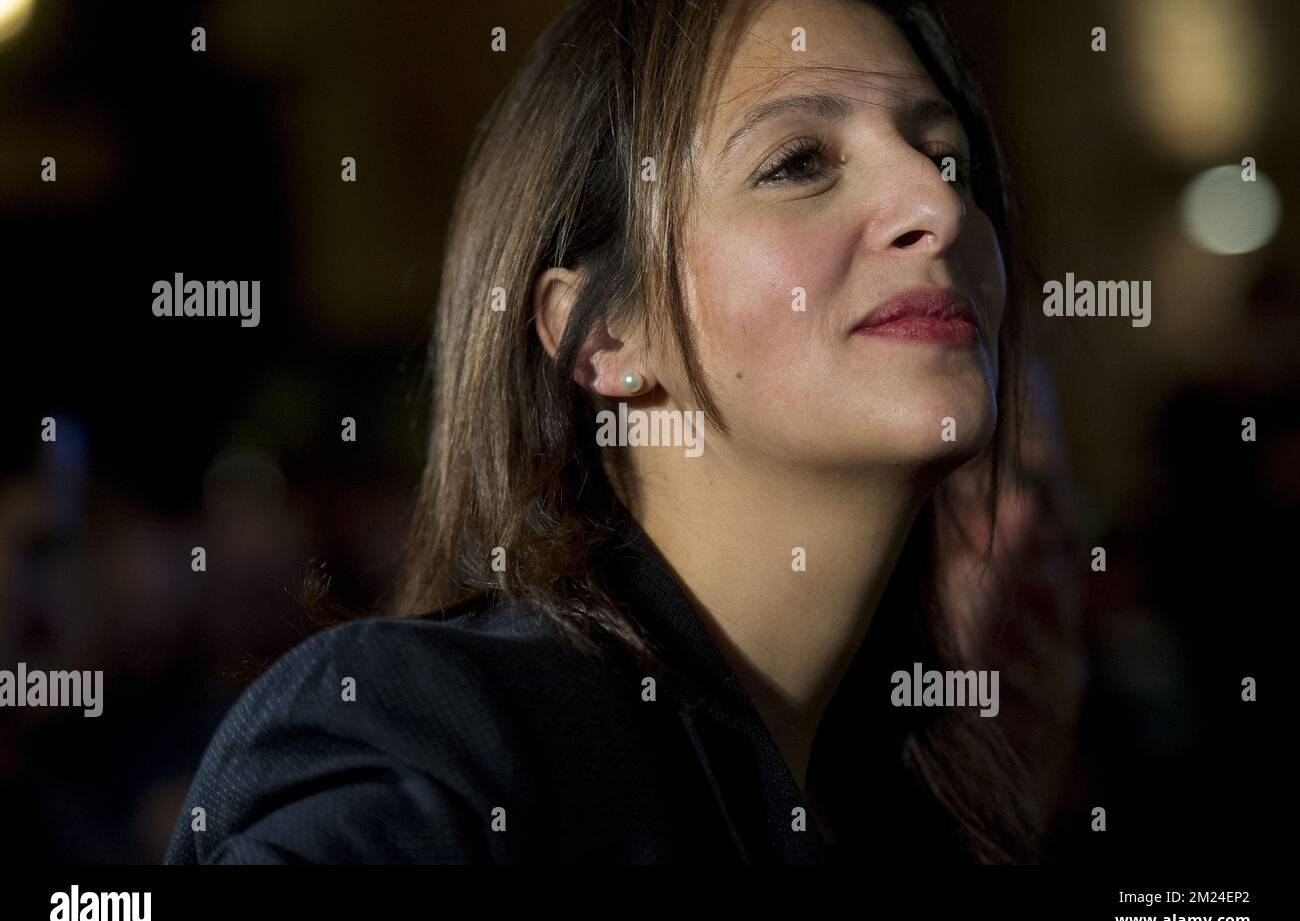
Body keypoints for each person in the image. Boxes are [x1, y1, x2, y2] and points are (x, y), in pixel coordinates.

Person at [166, 0, 1044, 864]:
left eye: (949, 159)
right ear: (602, 333)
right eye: (799, 161)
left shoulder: (918, 820)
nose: (937, 200)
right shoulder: (443, 741)